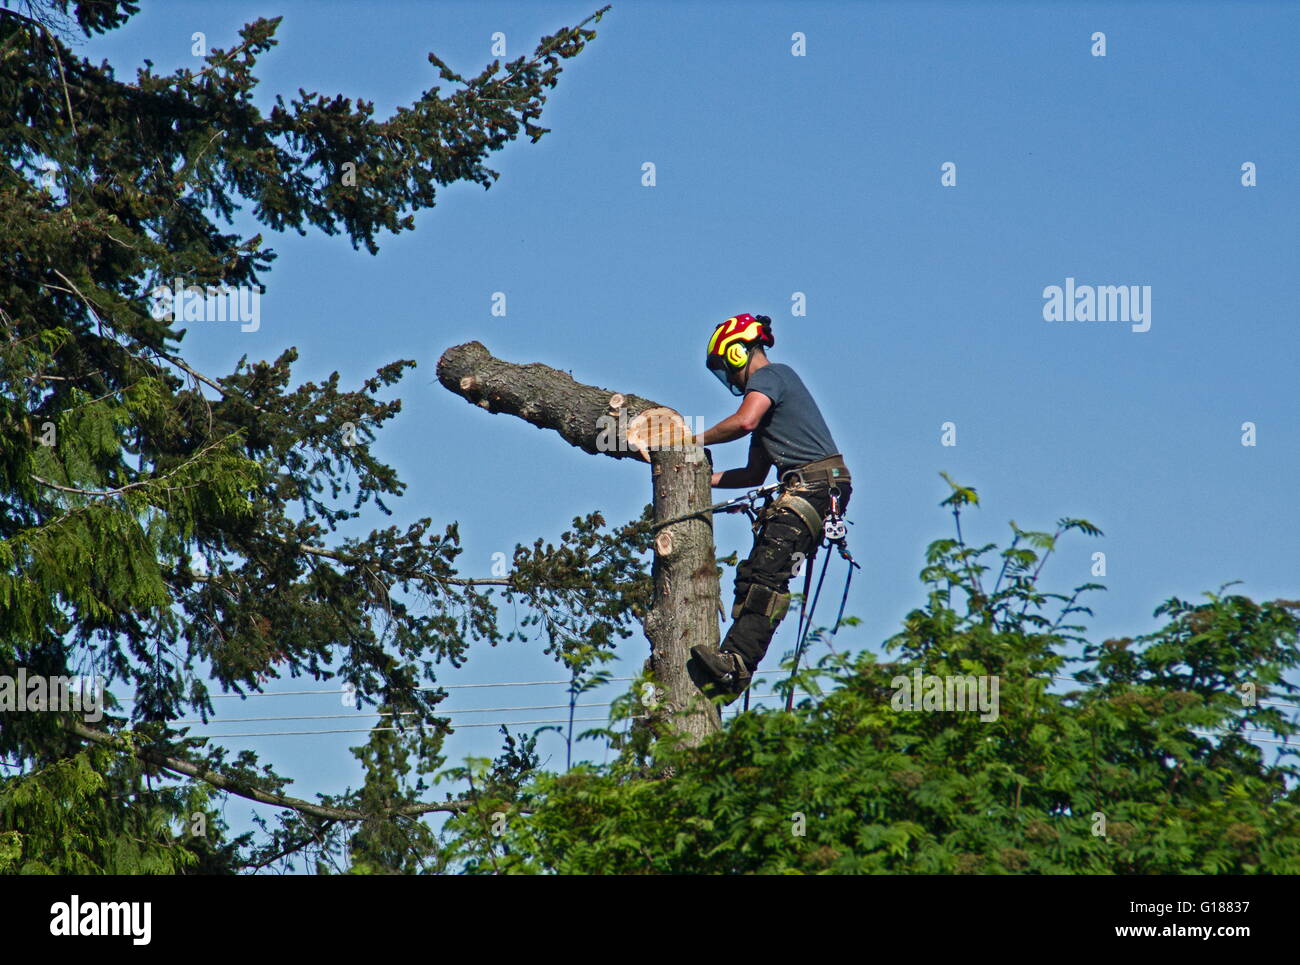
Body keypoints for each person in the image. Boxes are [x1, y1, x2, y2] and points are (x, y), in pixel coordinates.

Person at [690, 313, 852, 703]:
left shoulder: (770, 376)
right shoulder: (770, 403)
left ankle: (736, 665)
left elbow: (743, 422)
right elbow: (753, 472)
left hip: (814, 486)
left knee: (766, 576)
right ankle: (731, 667)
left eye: (727, 368)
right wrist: (698, 478)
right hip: (815, 487)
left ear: (736, 351)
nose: (730, 379)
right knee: (755, 576)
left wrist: (691, 441)